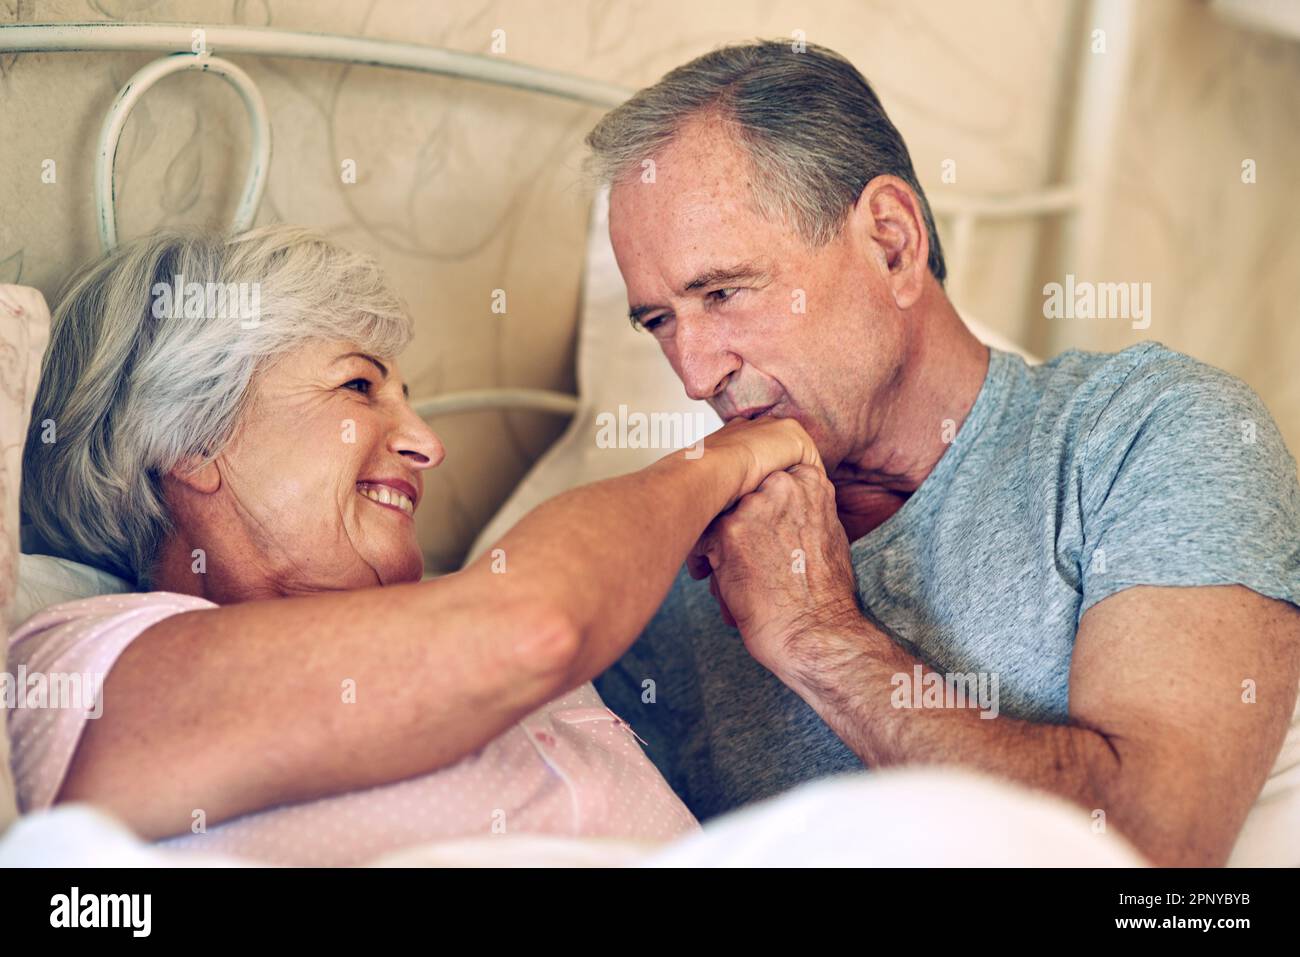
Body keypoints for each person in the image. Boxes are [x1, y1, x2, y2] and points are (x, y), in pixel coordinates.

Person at [586, 40, 1300, 867]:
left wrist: (818, 635)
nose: (695, 373)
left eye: (722, 293)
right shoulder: (676, 573)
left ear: (891, 242)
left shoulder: (1144, 432)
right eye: (661, 321)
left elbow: (1152, 843)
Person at [7, 224, 821, 866]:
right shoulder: (83, 665)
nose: (428, 442)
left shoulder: (487, 621)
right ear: (191, 439)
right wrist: (720, 460)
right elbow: (527, 628)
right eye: (359, 386)